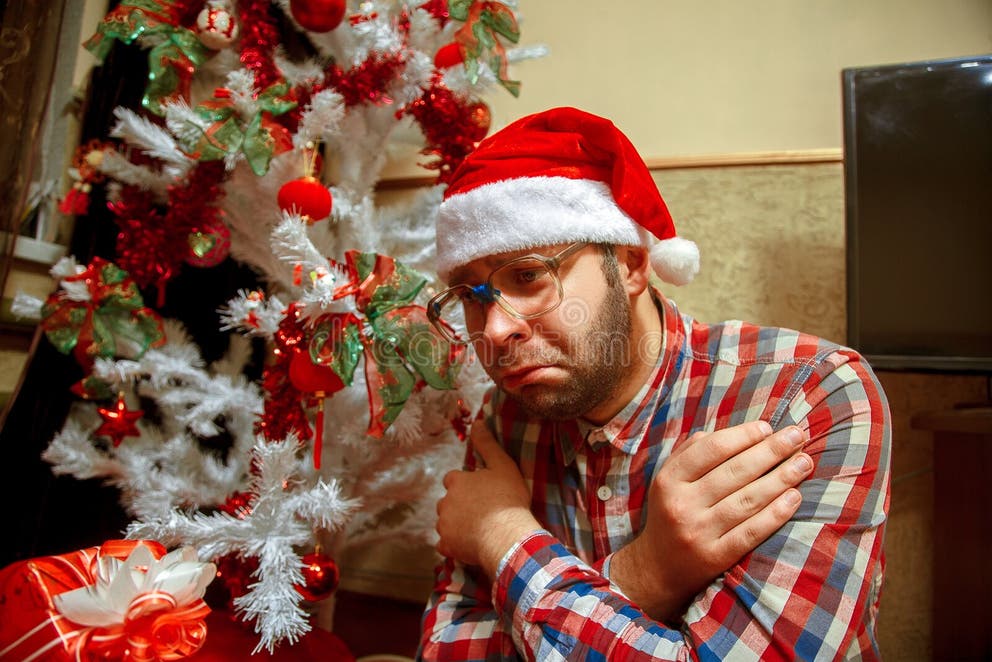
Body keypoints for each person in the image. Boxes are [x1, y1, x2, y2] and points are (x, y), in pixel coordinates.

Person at [418, 107, 890, 660]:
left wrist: (502, 535)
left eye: (528, 276)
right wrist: (647, 579)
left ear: (634, 264)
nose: (495, 331)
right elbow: (445, 647)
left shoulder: (807, 396)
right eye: (472, 297)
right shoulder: (507, 416)